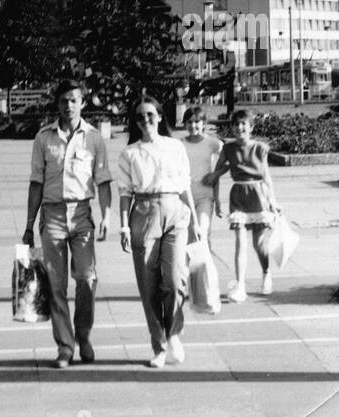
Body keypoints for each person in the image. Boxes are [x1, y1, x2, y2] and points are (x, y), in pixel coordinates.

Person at [23, 79, 112, 368]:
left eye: (74, 100)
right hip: (52, 217)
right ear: (57, 104)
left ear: (82, 103)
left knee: (87, 279)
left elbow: (103, 181)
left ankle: (83, 335)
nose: (69, 105)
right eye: (64, 100)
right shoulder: (43, 138)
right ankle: (64, 346)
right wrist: (29, 224)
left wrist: (107, 217)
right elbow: (36, 182)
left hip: (82, 215)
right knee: (55, 285)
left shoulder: (94, 138)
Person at [119, 96, 202, 368]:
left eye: (150, 114)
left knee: (176, 277)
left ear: (159, 116)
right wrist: (123, 225)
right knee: (149, 284)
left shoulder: (175, 146)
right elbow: (124, 192)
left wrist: (196, 222)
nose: (145, 120)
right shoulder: (129, 153)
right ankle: (159, 344)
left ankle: (174, 333)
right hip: (143, 213)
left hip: (176, 211)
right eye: (140, 116)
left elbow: (185, 183)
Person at [205, 110, 280, 301]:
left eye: (244, 124)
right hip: (238, 195)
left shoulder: (260, 148)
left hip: (258, 195)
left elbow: (266, 176)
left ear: (251, 127)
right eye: (237, 125)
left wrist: (273, 201)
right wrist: (216, 188)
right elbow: (220, 168)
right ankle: (240, 286)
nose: (240, 128)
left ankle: (266, 273)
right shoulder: (228, 148)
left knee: (259, 244)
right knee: (240, 242)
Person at [177, 107, 224, 243]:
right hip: (184, 197)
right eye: (189, 122)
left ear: (204, 123)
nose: (193, 125)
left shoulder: (212, 143)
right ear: (185, 124)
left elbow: (231, 159)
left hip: (205, 195)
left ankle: (206, 263)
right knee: (188, 237)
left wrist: (216, 174)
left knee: (202, 233)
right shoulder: (179, 144)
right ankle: (191, 264)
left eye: (197, 121)